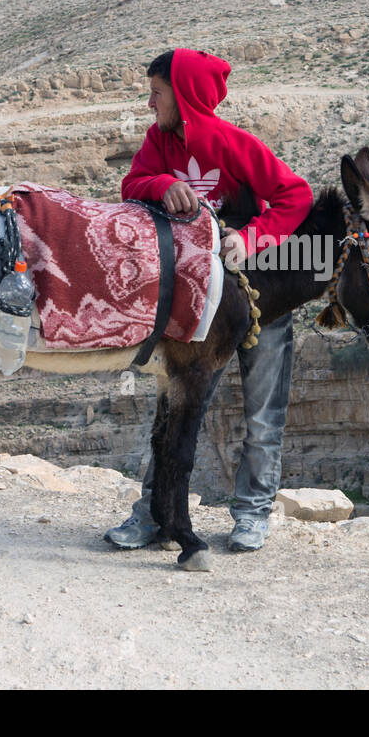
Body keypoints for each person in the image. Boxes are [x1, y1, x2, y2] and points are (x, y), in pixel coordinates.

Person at [105, 48, 313, 552]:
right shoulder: (158, 140)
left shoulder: (233, 143)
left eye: (158, 93)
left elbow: (296, 195)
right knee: (176, 407)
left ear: (185, 95)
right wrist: (161, 183)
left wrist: (253, 237)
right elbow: (131, 184)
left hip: (260, 300)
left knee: (263, 413)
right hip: (200, 306)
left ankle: (253, 513)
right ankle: (155, 514)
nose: (150, 104)